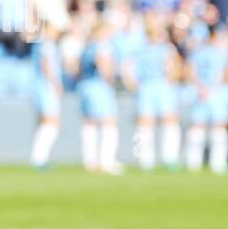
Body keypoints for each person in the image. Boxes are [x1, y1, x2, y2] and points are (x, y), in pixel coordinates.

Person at [127, 18, 181, 171]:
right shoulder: (163, 49)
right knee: (151, 124)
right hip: (157, 87)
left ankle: (157, 159)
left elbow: (128, 70)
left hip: (153, 87)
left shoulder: (142, 49)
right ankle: (153, 159)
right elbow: (174, 67)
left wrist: (134, 84)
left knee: (161, 123)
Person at [184, 26, 228, 173]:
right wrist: (211, 89)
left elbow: (190, 71)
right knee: (218, 128)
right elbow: (227, 72)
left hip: (200, 92)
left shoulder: (196, 53)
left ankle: (193, 164)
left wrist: (201, 88)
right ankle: (217, 164)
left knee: (197, 128)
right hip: (216, 92)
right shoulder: (222, 53)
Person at [75, 23, 122, 174]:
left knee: (90, 122)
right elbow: (104, 66)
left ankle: (90, 161)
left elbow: (78, 68)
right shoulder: (102, 46)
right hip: (98, 86)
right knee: (109, 121)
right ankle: (106, 161)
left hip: (85, 86)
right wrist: (111, 79)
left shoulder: (87, 46)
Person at [29, 24, 63, 169]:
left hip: (39, 88)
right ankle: (39, 158)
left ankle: (39, 157)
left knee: (45, 123)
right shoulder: (47, 45)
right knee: (51, 123)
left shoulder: (39, 45)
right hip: (46, 88)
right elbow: (46, 65)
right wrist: (55, 83)